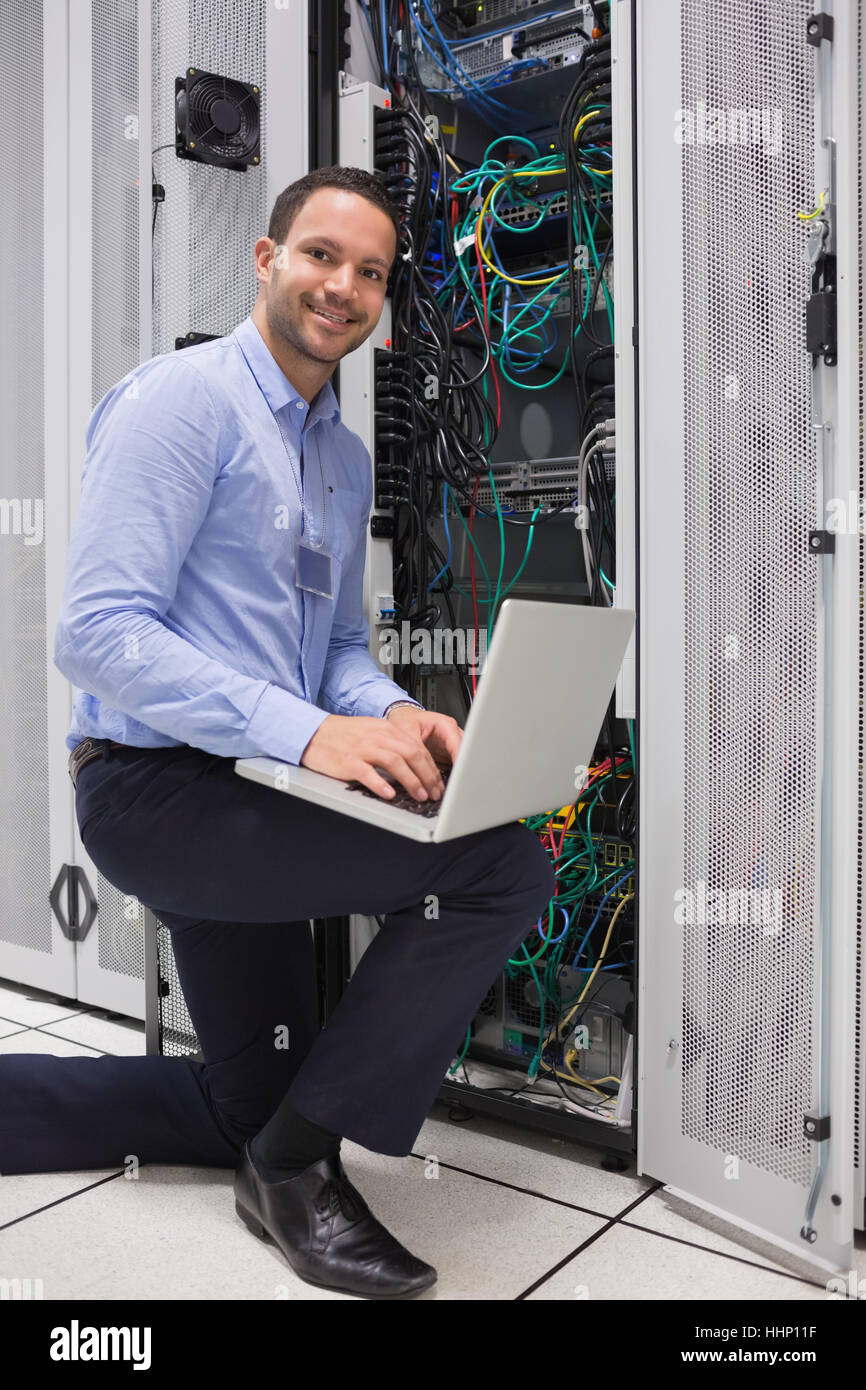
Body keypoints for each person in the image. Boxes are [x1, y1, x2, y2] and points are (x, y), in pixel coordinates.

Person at [3, 166, 555, 1299]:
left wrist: (390, 710)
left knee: (245, 1103)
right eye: (321, 256)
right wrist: (307, 735)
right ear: (266, 259)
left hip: (255, 783)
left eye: (370, 272)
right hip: (154, 790)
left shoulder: (341, 458)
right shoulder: (181, 403)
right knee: (498, 869)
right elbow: (98, 635)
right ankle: (296, 1175)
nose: (343, 287)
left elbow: (337, 647)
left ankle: (262, 1141)